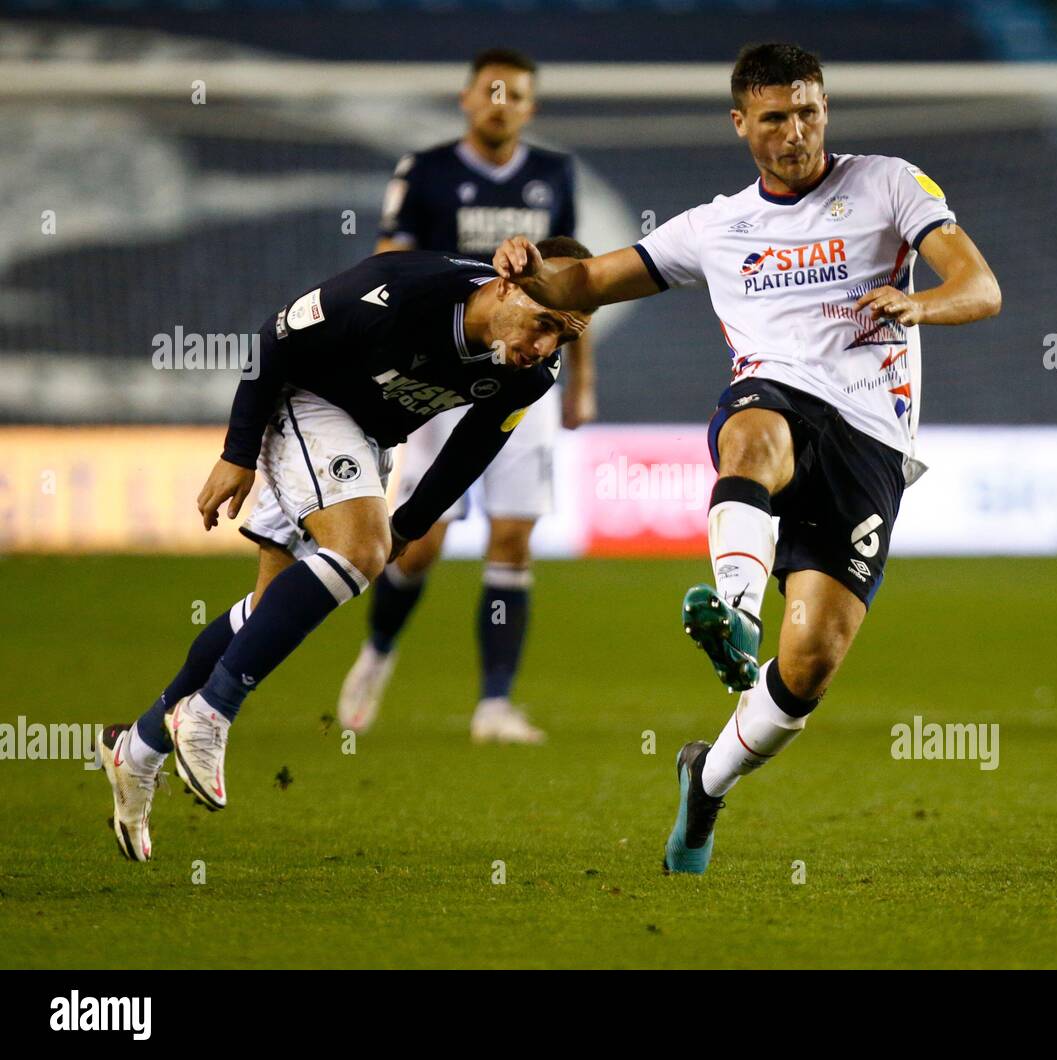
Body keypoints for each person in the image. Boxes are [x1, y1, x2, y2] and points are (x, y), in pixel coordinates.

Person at [491, 43, 1001, 874]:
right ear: (741, 124)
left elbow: (982, 288)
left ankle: (707, 781)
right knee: (753, 429)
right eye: (775, 117)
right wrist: (528, 267)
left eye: (809, 112)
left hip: (873, 441)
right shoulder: (715, 227)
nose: (796, 131)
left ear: (826, 109)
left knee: (811, 664)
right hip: (776, 398)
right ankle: (735, 611)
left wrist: (920, 302)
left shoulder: (889, 184)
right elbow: (582, 284)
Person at [101, 240, 593, 861]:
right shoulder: (404, 290)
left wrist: (410, 526)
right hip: (304, 401)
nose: (546, 347)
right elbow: (274, 337)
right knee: (360, 549)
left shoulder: (531, 373)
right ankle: (209, 713)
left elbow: (472, 449)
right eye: (545, 323)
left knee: (270, 609)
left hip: (365, 438)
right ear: (507, 286)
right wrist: (237, 451)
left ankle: (138, 750)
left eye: (564, 338)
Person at [337, 48, 596, 744]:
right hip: (442, 373)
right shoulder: (425, 172)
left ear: (531, 107)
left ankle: (494, 704)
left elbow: (577, 283)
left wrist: (580, 382)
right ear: (466, 98)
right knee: (421, 542)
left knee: (514, 536)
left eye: (516, 95)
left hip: (526, 369)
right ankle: (378, 652)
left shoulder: (553, 174)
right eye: (491, 91)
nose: (501, 103)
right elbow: (388, 263)